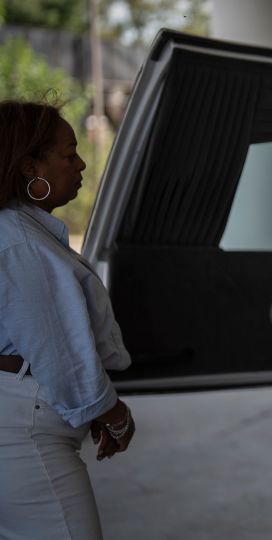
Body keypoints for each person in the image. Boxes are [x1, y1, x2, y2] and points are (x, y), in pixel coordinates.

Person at [0, 99, 136, 539]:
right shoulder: (21, 244)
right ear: (28, 168)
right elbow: (57, 350)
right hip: (26, 430)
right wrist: (109, 411)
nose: (80, 164)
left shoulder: (21, 232)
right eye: (68, 153)